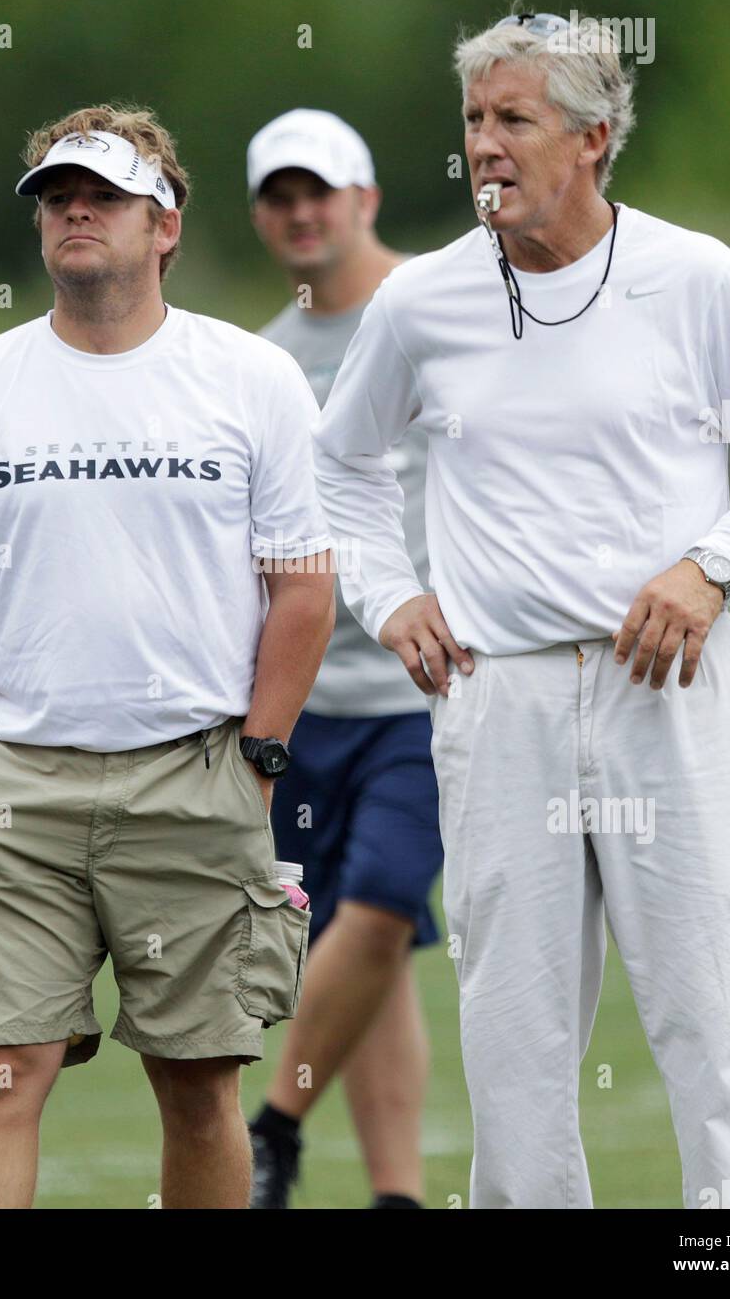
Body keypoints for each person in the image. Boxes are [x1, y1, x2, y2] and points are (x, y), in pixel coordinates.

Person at [312, 11, 730, 1209]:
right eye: (474, 121)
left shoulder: (696, 278)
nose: (484, 147)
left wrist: (711, 569)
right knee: (515, 1038)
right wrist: (390, 594)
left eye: (514, 121)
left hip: (674, 692)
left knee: (720, 1017)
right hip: (502, 698)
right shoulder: (422, 301)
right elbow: (336, 465)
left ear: (595, 138)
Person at [0, 103, 335, 1209]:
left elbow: (305, 584)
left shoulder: (250, 378)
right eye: (54, 196)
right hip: (16, 788)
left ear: (165, 222)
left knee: (197, 1086)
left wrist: (258, 755)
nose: (73, 210)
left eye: (103, 194)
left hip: (197, 769)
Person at [244, 109, 442, 1209]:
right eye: (279, 195)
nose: (302, 212)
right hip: (308, 701)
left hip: (426, 686)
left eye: (320, 190)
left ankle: (274, 1120)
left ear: (365, 197)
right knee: (380, 952)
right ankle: (398, 1196)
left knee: (377, 907)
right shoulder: (263, 357)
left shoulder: (436, 312)